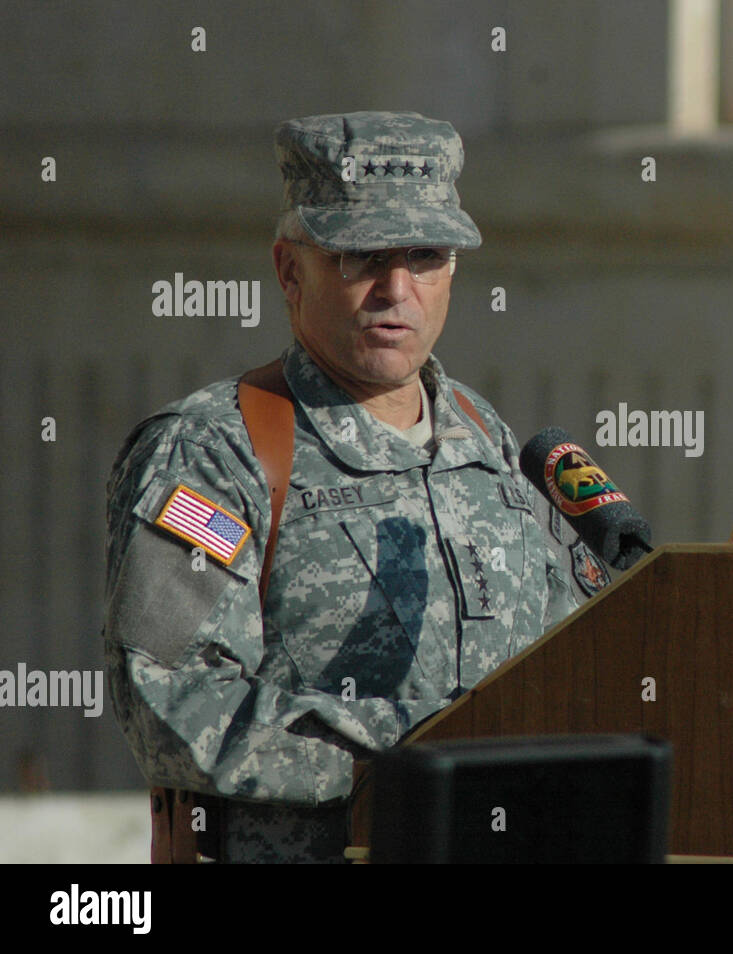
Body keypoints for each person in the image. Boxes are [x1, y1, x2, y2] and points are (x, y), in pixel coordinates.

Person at [104, 111, 603, 863]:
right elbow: (169, 702)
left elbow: (576, 654)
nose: (395, 289)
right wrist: (409, 751)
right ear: (289, 269)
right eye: (361, 257)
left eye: (425, 255)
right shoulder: (216, 448)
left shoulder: (483, 434)